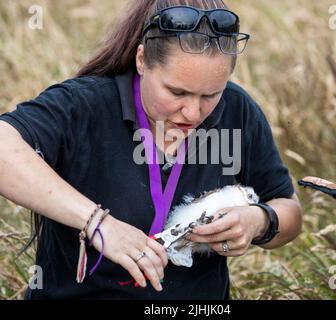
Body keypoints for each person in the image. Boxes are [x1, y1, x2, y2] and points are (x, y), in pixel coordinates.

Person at [0, 0, 302, 299]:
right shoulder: (84, 106)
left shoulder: (238, 110)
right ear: (141, 60)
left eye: (210, 95)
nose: (193, 114)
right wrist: (98, 223)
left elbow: (289, 211)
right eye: (177, 92)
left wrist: (259, 221)